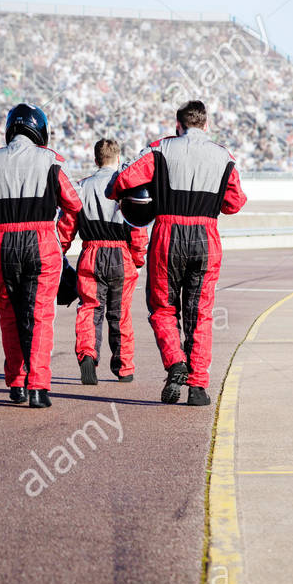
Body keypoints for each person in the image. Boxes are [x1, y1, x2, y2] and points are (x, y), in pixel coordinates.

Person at [108, 99, 247, 406]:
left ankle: (175, 362)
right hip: (206, 236)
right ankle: (198, 387)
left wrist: (127, 197)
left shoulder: (160, 149)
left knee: (162, 307)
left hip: (168, 235)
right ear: (206, 125)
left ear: (178, 125)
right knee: (201, 314)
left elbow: (120, 182)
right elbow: (235, 203)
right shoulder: (224, 156)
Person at [0, 103, 82, 409]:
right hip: (42, 239)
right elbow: (74, 203)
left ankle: (16, 383)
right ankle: (38, 387)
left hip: (2, 239)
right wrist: (61, 239)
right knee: (40, 315)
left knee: (8, 311)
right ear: (39, 129)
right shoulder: (51, 159)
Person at [60, 138, 147, 386]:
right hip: (121, 254)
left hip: (91, 252)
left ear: (96, 159)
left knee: (90, 308)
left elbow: (67, 227)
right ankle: (124, 367)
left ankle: (88, 353)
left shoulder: (81, 187)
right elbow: (138, 226)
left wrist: (61, 251)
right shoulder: (127, 188)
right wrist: (138, 258)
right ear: (117, 158)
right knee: (120, 314)